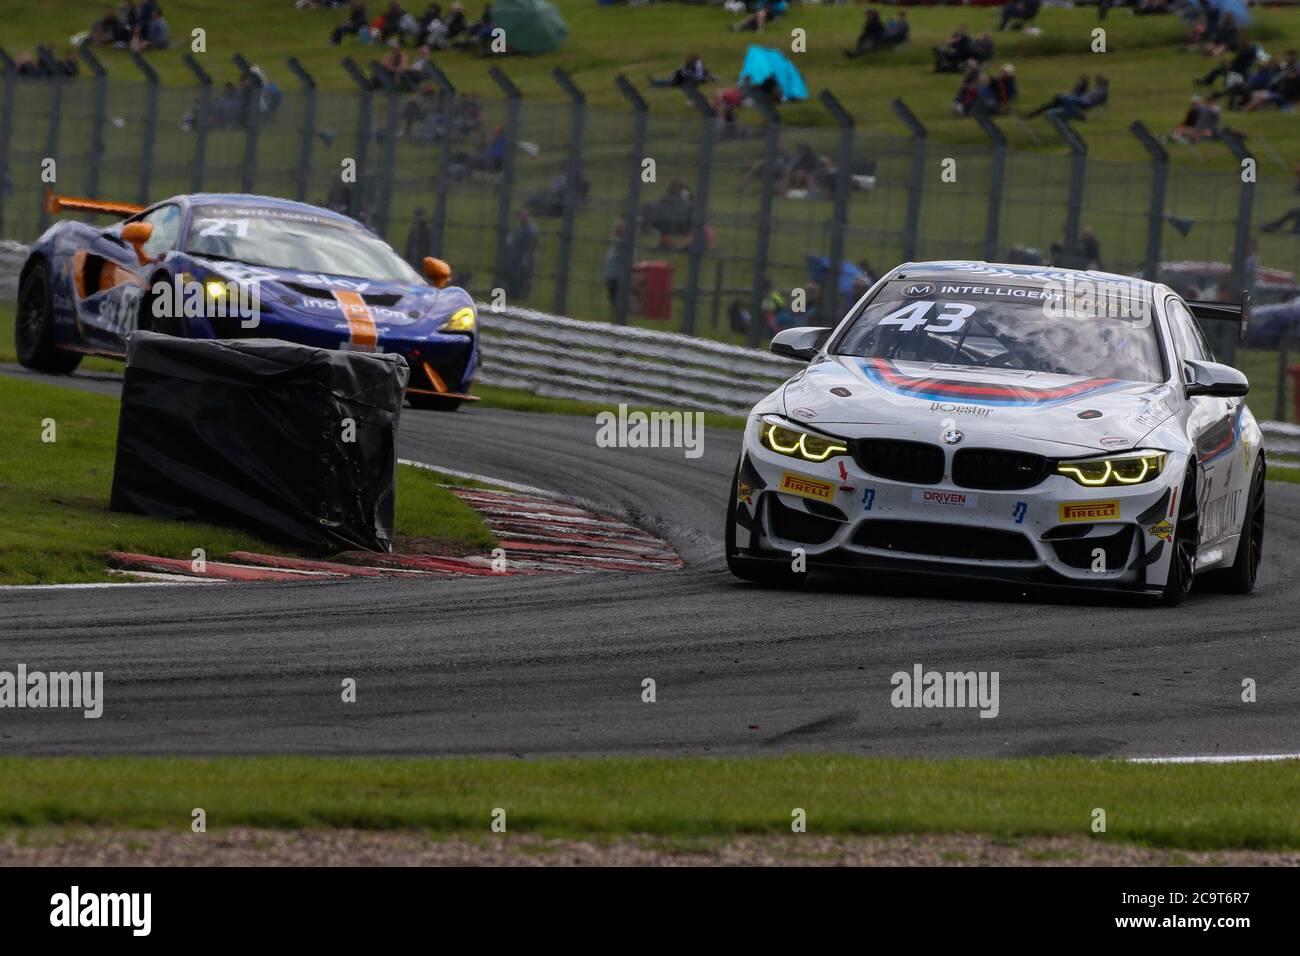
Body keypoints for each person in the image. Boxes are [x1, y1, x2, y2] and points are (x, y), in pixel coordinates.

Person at [503, 209, 538, 301]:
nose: (521, 217)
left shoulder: (531, 230)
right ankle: (514, 295)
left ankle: (523, 297)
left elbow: (531, 247)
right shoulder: (520, 229)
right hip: (514, 258)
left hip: (524, 259)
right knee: (514, 277)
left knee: (524, 278)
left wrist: (526, 259)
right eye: (521, 215)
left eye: (524, 215)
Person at [649, 54, 715, 88]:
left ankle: (654, 82)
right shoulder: (697, 65)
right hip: (684, 78)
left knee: (670, 82)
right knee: (670, 81)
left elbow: (700, 77)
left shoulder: (699, 68)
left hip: (685, 80)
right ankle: (654, 83)